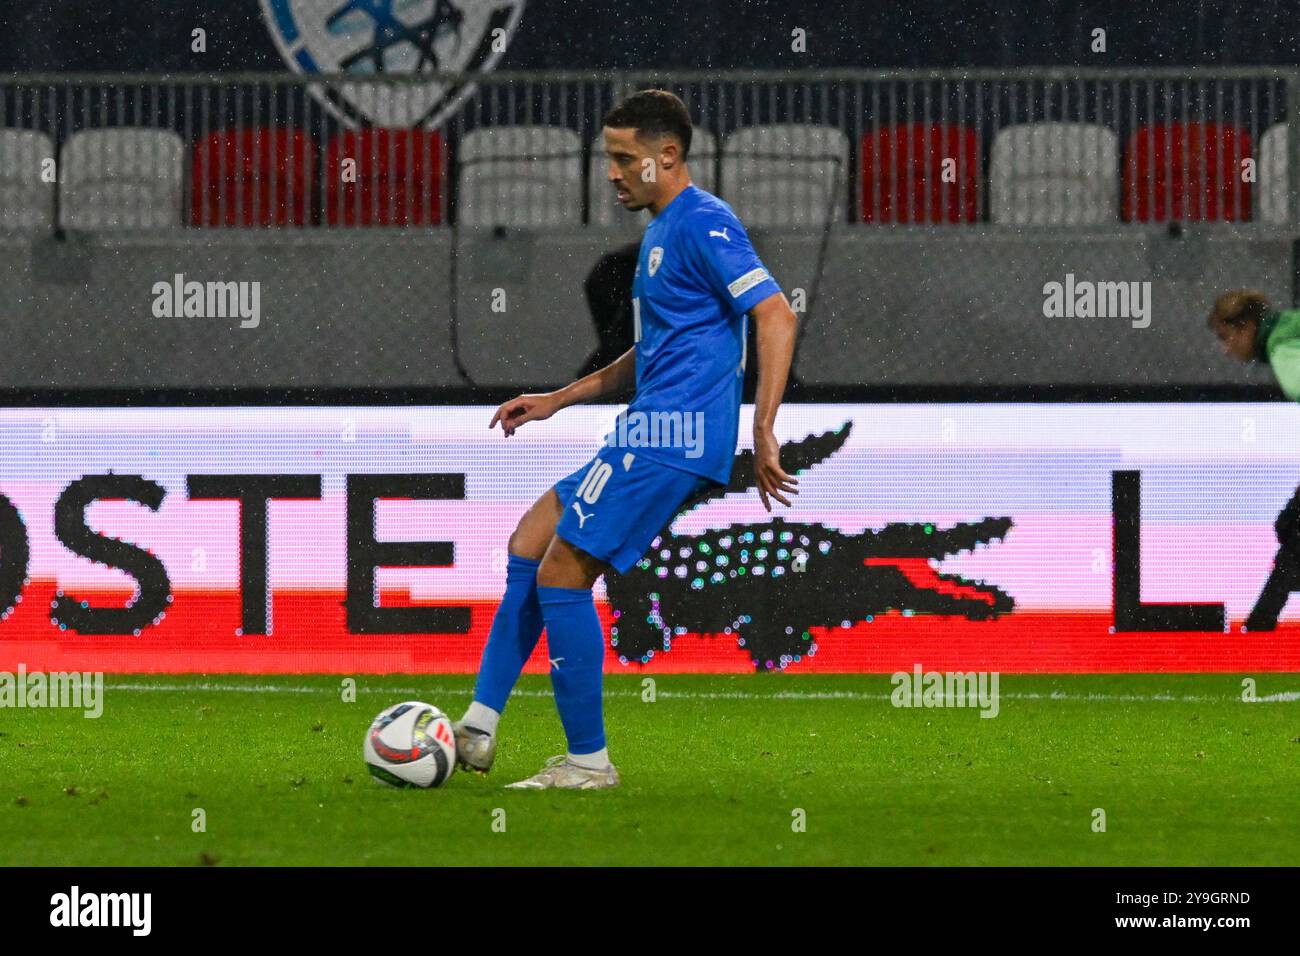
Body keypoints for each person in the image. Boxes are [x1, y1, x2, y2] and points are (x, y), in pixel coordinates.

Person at [454, 89, 800, 789]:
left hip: (673, 438)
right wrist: (559, 399)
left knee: (563, 571)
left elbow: (775, 315)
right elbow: (649, 357)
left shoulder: (704, 221)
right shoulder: (661, 233)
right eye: (608, 157)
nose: (611, 173)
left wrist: (762, 429)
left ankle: (587, 762)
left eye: (623, 158)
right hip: (648, 428)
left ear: (667, 156)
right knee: (531, 539)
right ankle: (478, 725)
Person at [1208, 290, 1300, 557]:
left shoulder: (1283, 348)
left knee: (1290, 526)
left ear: (1247, 326)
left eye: (1226, 337)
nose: (1226, 350)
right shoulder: (1288, 327)